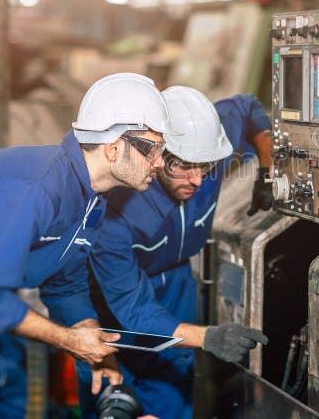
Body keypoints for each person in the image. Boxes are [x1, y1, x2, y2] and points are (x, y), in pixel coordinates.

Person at [0, 73, 173, 417]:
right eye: (153, 148)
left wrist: (94, 345)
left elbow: (65, 284)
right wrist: (67, 340)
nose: (160, 162)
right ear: (113, 147)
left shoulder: (92, 197)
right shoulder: (34, 189)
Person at [65, 86, 274, 419]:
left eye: (204, 167)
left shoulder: (207, 144)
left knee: (171, 398)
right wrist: (208, 337)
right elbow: (134, 310)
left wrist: (268, 169)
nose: (196, 179)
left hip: (175, 287)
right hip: (112, 308)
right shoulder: (113, 212)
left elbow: (247, 107)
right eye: (183, 166)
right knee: (113, 406)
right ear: (156, 155)